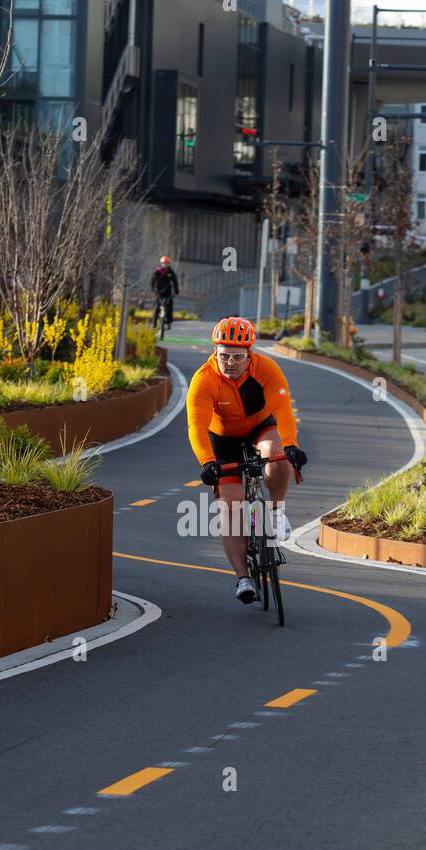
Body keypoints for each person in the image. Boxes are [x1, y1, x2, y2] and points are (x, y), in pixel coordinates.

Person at [186, 315, 308, 604]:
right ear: (215, 352)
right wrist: (206, 462)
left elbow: (283, 411)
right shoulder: (203, 379)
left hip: (259, 427)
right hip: (222, 439)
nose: (230, 362)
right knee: (231, 508)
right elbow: (196, 426)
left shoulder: (266, 369)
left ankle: (276, 512)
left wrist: (291, 445)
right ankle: (243, 578)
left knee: (275, 455)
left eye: (237, 356)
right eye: (223, 355)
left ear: (249, 354)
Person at [151, 255, 179, 335]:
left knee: (169, 306)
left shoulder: (171, 272)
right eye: (164, 263)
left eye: (167, 263)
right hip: (159, 293)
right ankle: (154, 324)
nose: (165, 265)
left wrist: (176, 291)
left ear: (169, 264)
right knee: (156, 308)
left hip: (168, 293)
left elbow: (175, 282)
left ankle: (168, 322)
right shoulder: (158, 272)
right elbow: (152, 281)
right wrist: (153, 289)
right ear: (161, 263)